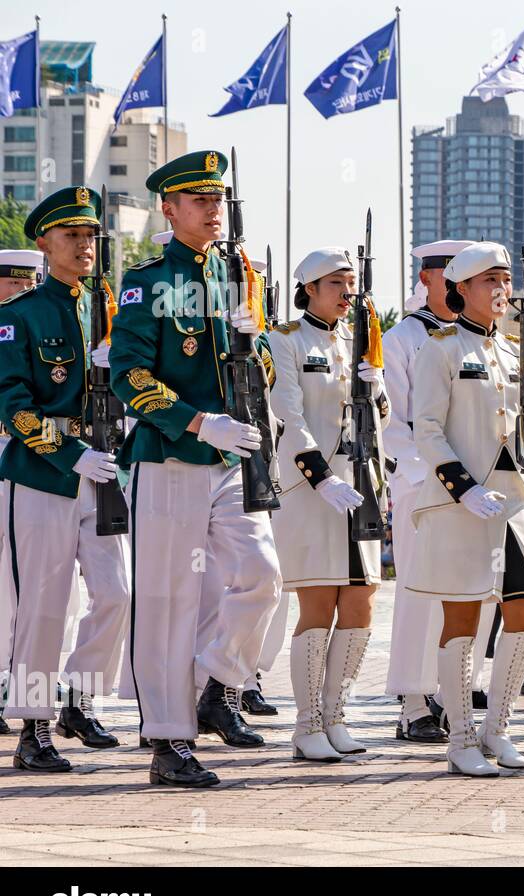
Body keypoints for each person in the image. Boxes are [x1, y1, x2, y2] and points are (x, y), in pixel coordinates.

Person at [111, 150, 281, 787]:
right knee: (166, 603)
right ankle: (168, 739)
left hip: (229, 457)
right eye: (199, 200)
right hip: (171, 456)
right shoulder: (148, 282)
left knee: (263, 575)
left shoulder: (238, 277)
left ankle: (217, 683)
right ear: (170, 208)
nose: (212, 209)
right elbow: (129, 377)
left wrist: (254, 340)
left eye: (218, 199)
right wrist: (196, 420)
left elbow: (260, 374)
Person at [407, 241, 524, 776]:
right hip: (460, 504)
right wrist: (462, 487)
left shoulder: (516, 353)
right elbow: (426, 428)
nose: (501, 290)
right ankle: (461, 738)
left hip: (512, 505)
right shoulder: (440, 348)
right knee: (463, 619)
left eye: (505, 280)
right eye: (489, 281)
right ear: (461, 288)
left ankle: (499, 728)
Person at [0, 188, 131, 770]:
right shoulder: (19, 316)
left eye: (91, 236)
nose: (86, 245)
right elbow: (12, 402)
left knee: (117, 593)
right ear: (44, 243)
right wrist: (65, 451)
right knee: (44, 607)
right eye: (73, 235)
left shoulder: (102, 309)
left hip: (100, 466)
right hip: (43, 473)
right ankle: (32, 728)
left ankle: (77, 698)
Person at [268, 248, 389, 761]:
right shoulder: (286, 341)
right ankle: (307, 724)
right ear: (309, 288)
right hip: (310, 489)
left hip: (357, 485)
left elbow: (379, 418)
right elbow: (287, 417)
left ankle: (336, 714)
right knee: (318, 606)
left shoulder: (358, 343)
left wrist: (377, 390)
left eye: (352, 283)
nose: (347, 293)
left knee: (360, 603)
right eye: (337, 283)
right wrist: (319, 478)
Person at [382, 238, 472, 744]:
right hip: (424, 483)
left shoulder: (476, 337)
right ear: (427, 279)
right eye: (449, 275)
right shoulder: (402, 339)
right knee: (419, 596)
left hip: (473, 487)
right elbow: (395, 422)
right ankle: (412, 702)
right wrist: (434, 475)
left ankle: (449, 694)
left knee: (467, 595)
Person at [0, 249, 44, 736]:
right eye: (12, 283)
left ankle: (57, 698)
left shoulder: (28, 329)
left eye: (28, 282)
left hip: (31, 461)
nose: (20, 291)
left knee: (31, 595)